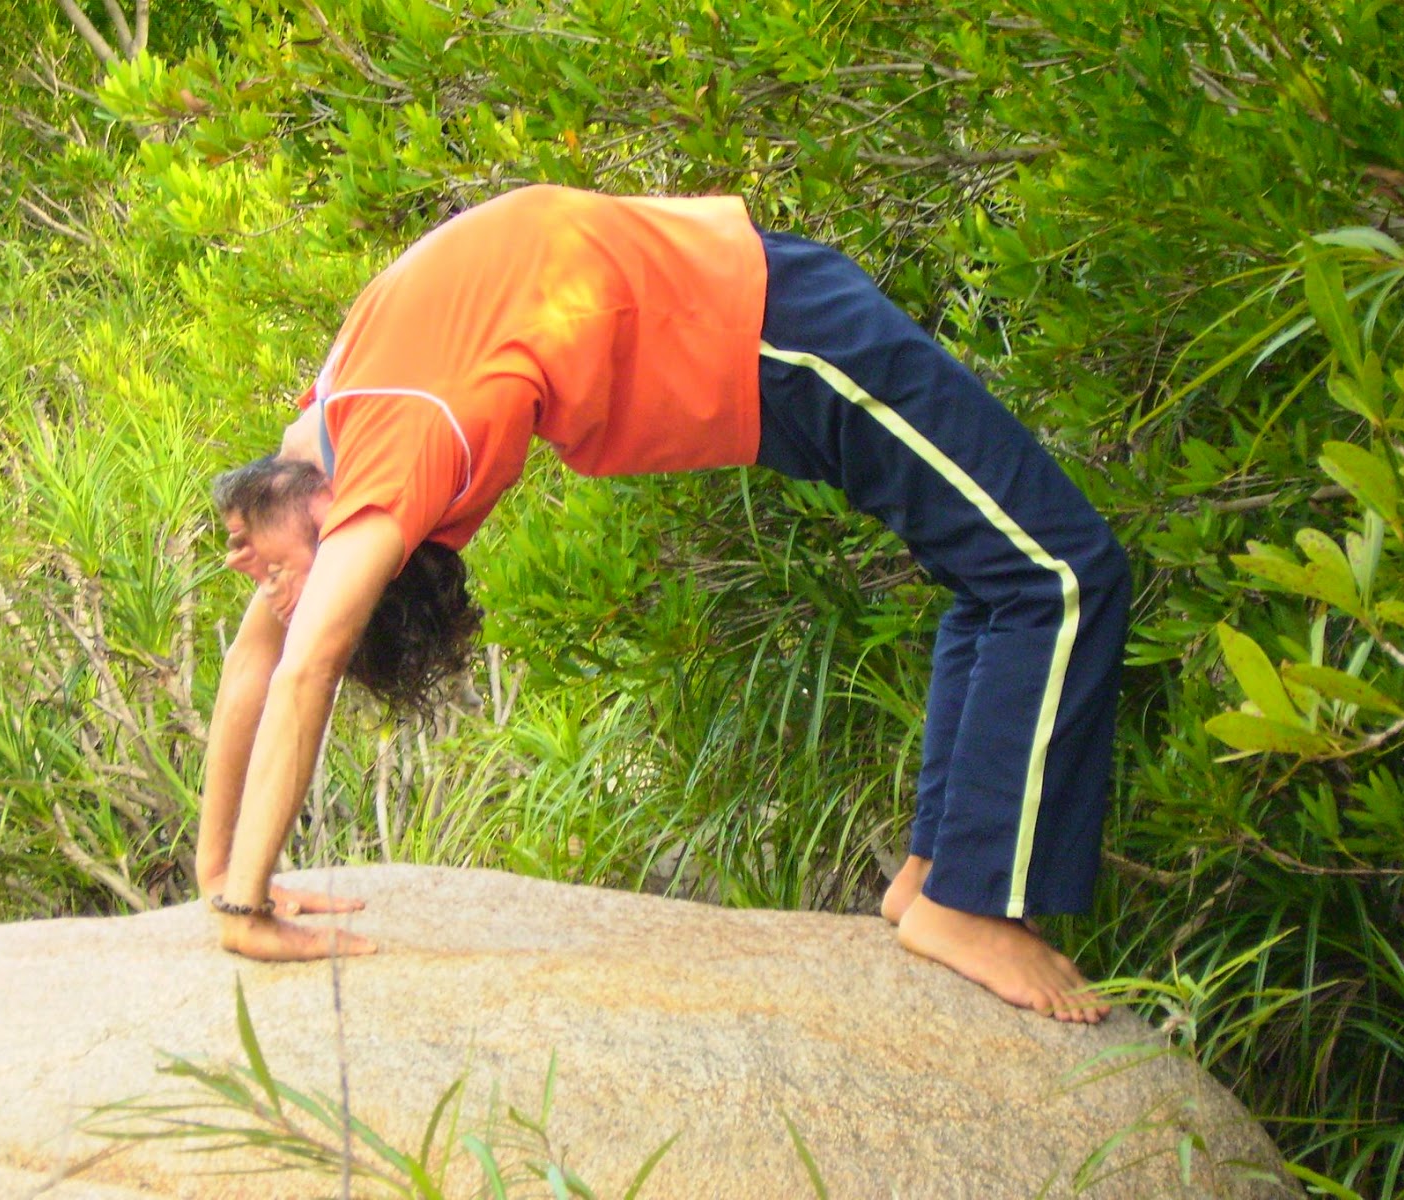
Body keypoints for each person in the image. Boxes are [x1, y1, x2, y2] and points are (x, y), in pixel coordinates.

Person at [197, 185, 1130, 1023]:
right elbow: (298, 661)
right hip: (766, 329)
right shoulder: (391, 461)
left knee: (999, 570)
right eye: (279, 581)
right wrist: (242, 905)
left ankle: (937, 875)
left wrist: (221, 883)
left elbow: (273, 656)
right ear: (365, 555)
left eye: (270, 573)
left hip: (761, 319)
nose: (247, 566)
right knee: (1058, 575)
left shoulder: (341, 422)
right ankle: (967, 905)